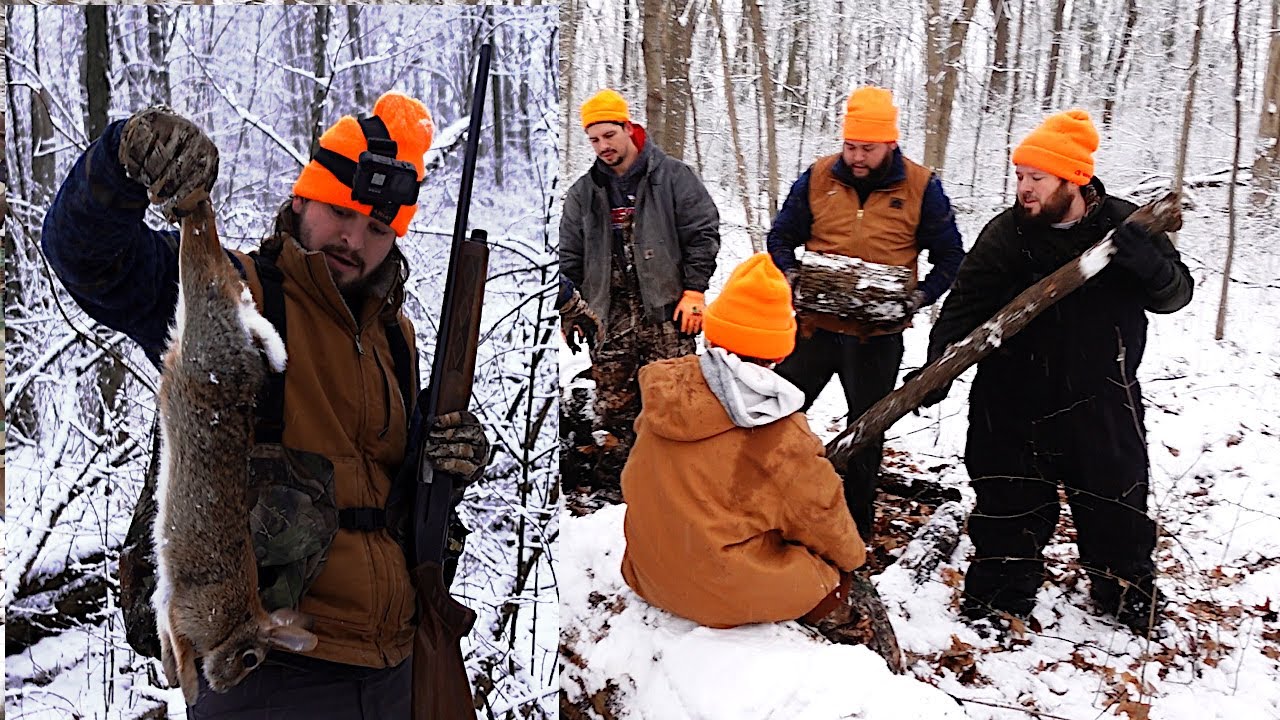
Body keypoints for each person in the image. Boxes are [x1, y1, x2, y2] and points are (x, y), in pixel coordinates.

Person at [42, 92, 493, 717]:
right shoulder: (230, 297)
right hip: (269, 669)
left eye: (378, 228)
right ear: (301, 196)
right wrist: (122, 158)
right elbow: (89, 257)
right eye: (341, 210)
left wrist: (451, 459)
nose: (353, 239)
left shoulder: (398, 339)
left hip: (398, 665)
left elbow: (395, 489)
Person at [921, 108, 1193, 636]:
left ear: (1075, 179)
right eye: (1020, 176)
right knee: (1006, 502)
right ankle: (1000, 599)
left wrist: (1150, 265)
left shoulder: (1128, 226)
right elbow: (965, 304)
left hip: (1102, 395)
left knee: (1116, 505)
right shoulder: (1006, 234)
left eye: (1037, 178)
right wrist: (939, 368)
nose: (1024, 188)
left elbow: (1176, 296)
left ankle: (1126, 596)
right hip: (1011, 395)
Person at [620, 254, 901, 661]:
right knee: (828, 576)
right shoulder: (779, 430)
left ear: (713, 337)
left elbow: (633, 480)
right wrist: (852, 559)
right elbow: (821, 515)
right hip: (719, 593)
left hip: (645, 572)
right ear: (780, 353)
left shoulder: (665, 389)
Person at [767, 86, 964, 541]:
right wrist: (793, 276)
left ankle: (854, 533)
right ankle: (770, 507)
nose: (856, 156)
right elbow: (780, 237)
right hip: (813, 330)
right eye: (851, 146)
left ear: (890, 144)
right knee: (777, 415)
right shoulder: (818, 177)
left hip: (876, 339)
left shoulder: (920, 186)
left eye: (867, 148)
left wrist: (919, 298)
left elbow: (951, 255)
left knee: (867, 434)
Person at [559, 88, 721, 490]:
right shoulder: (583, 194)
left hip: (667, 313)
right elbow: (569, 256)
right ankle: (623, 493)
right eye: (594, 140)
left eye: (609, 136)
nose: (603, 147)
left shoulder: (672, 177)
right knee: (614, 407)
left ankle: (683, 484)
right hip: (608, 318)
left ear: (629, 129)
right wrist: (572, 310)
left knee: (676, 400)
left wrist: (695, 291)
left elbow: (702, 234)